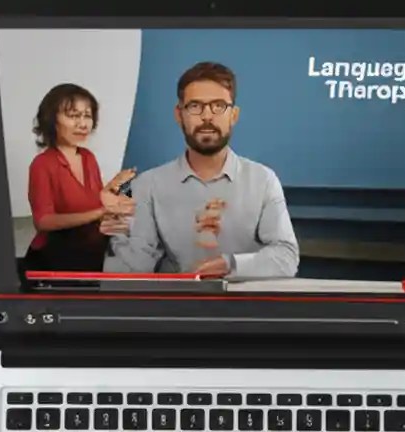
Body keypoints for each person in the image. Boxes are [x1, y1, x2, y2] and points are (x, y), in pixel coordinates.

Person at [101, 62, 299, 279]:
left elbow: (286, 257)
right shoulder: (147, 186)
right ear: (179, 114)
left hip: (247, 308)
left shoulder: (263, 180)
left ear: (234, 115)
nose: (207, 116)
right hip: (178, 308)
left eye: (218, 106)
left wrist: (230, 265)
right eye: (195, 106)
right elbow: (128, 273)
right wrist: (118, 234)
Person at [23, 83, 135, 272]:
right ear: (52, 119)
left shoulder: (88, 158)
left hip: (91, 255)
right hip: (54, 260)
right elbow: (43, 221)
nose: (82, 124)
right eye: (73, 116)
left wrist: (114, 190)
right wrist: (100, 212)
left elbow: (92, 203)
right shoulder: (42, 164)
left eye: (87, 116)